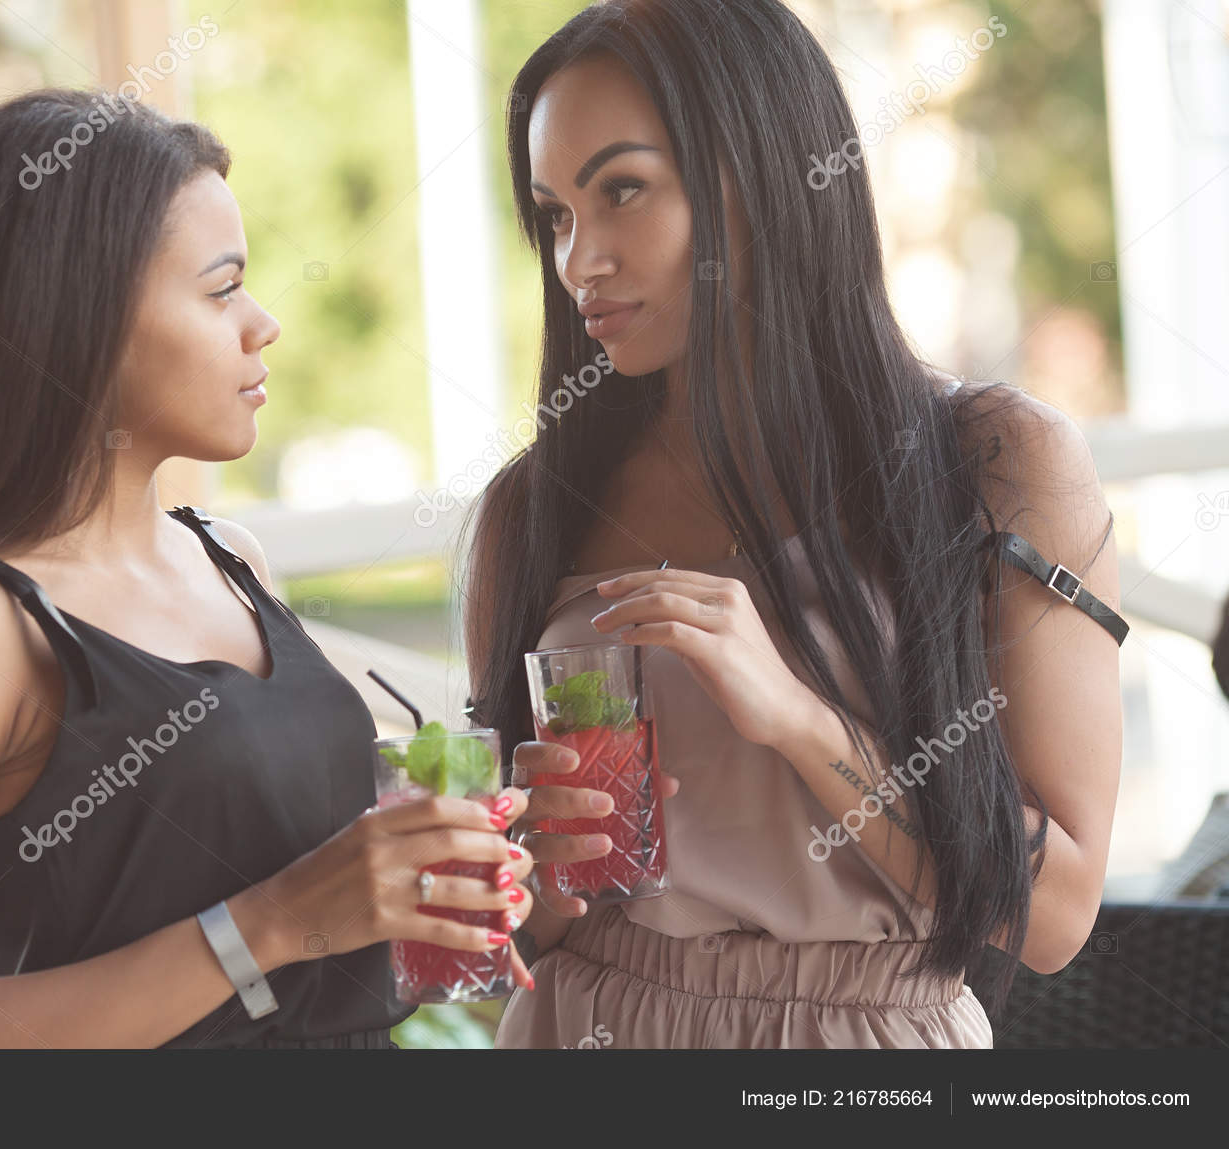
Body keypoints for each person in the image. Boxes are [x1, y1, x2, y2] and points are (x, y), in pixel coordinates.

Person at [464, 0, 1128, 1049]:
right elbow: (516, 938)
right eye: (553, 215)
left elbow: (1051, 914)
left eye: (623, 191)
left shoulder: (994, 462)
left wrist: (799, 719)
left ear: (759, 180)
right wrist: (536, 864)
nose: (577, 260)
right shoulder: (533, 509)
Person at [0, 88, 536, 1049]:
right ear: (73, 315)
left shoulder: (232, 559)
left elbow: (301, 878)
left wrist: (470, 858)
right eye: (221, 289)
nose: (264, 323)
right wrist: (275, 925)